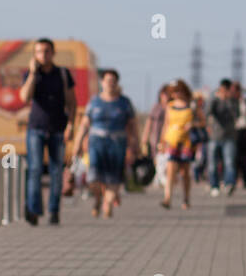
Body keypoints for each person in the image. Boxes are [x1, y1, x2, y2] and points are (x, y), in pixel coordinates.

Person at [18, 37, 76, 226]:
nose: (43, 55)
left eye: (46, 51)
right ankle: (34, 210)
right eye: (39, 52)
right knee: (34, 169)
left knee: (56, 171)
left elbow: (71, 101)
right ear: (35, 55)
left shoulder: (62, 74)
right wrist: (34, 74)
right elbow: (24, 97)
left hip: (58, 128)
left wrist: (71, 124)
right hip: (36, 128)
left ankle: (54, 209)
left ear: (53, 53)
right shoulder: (31, 74)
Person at [75, 69, 138, 219]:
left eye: (113, 81)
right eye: (107, 80)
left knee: (113, 177)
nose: (110, 83)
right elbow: (85, 124)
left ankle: (107, 204)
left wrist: (136, 144)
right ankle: (98, 198)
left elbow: (132, 125)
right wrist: (78, 142)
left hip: (117, 143)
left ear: (117, 83)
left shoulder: (124, 103)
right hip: (96, 143)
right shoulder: (94, 102)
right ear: (102, 82)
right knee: (93, 178)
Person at [160, 79, 203, 210]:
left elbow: (203, 122)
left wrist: (192, 125)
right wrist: (162, 141)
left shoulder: (192, 106)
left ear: (184, 91)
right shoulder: (170, 106)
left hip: (187, 142)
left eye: (178, 91)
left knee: (185, 172)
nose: (176, 94)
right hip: (172, 140)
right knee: (171, 170)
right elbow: (166, 124)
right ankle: (167, 198)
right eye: (173, 92)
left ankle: (186, 198)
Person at [206, 78, 239, 197]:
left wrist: (228, 100)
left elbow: (236, 115)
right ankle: (214, 185)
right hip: (214, 137)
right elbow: (207, 111)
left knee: (229, 162)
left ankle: (229, 184)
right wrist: (216, 98)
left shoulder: (233, 101)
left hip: (229, 137)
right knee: (212, 164)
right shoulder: (214, 100)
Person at [142, 83, 170, 187]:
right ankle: (158, 175)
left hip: (168, 136)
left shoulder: (172, 107)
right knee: (155, 156)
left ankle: (162, 175)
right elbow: (149, 121)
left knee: (166, 156)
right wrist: (145, 136)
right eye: (164, 94)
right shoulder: (156, 107)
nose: (166, 97)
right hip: (155, 135)